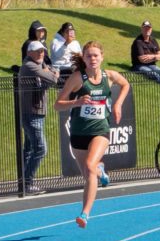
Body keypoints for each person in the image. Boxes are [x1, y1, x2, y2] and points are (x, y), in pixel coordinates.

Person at [56, 41, 130, 229]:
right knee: (89, 174)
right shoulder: (77, 79)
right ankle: (100, 169)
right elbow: (57, 104)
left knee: (90, 166)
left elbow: (125, 84)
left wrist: (118, 104)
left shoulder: (109, 76)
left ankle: (85, 214)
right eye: (88, 56)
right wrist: (76, 102)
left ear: (102, 57)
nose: (93, 59)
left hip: (100, 130)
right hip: (79, 132)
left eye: (96, 55)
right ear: (84, 58)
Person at [19, 39, 60, 194]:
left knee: (29, 148)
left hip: (36, 112)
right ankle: (27, 183)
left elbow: (46, 83)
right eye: (37, 51)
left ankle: (22, 181)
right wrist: (52, 73)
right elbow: (53, 79)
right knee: (41, 149)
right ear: (29, 53)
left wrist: (50, 73)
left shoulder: (39, 65)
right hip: (32, 113)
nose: (41, 53)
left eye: (42, 51)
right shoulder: (30, 65)